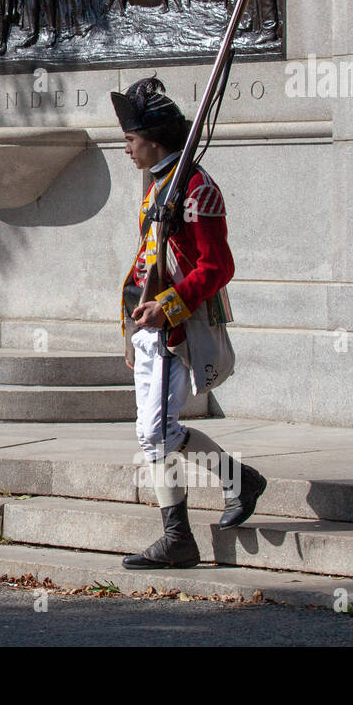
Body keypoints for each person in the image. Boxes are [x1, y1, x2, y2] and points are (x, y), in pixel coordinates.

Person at [112, 76, 264, 569]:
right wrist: (133, 322)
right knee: (155, 432)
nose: (127, 147)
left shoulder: (196, 188)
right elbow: (148, 258)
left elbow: (218, 266)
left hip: (177, 326)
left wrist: (168, 307)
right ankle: (236, 483)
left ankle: (180, 537)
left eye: (131, 139)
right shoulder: (161, 184)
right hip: (150, 323)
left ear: (153, 139)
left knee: (157, 433)